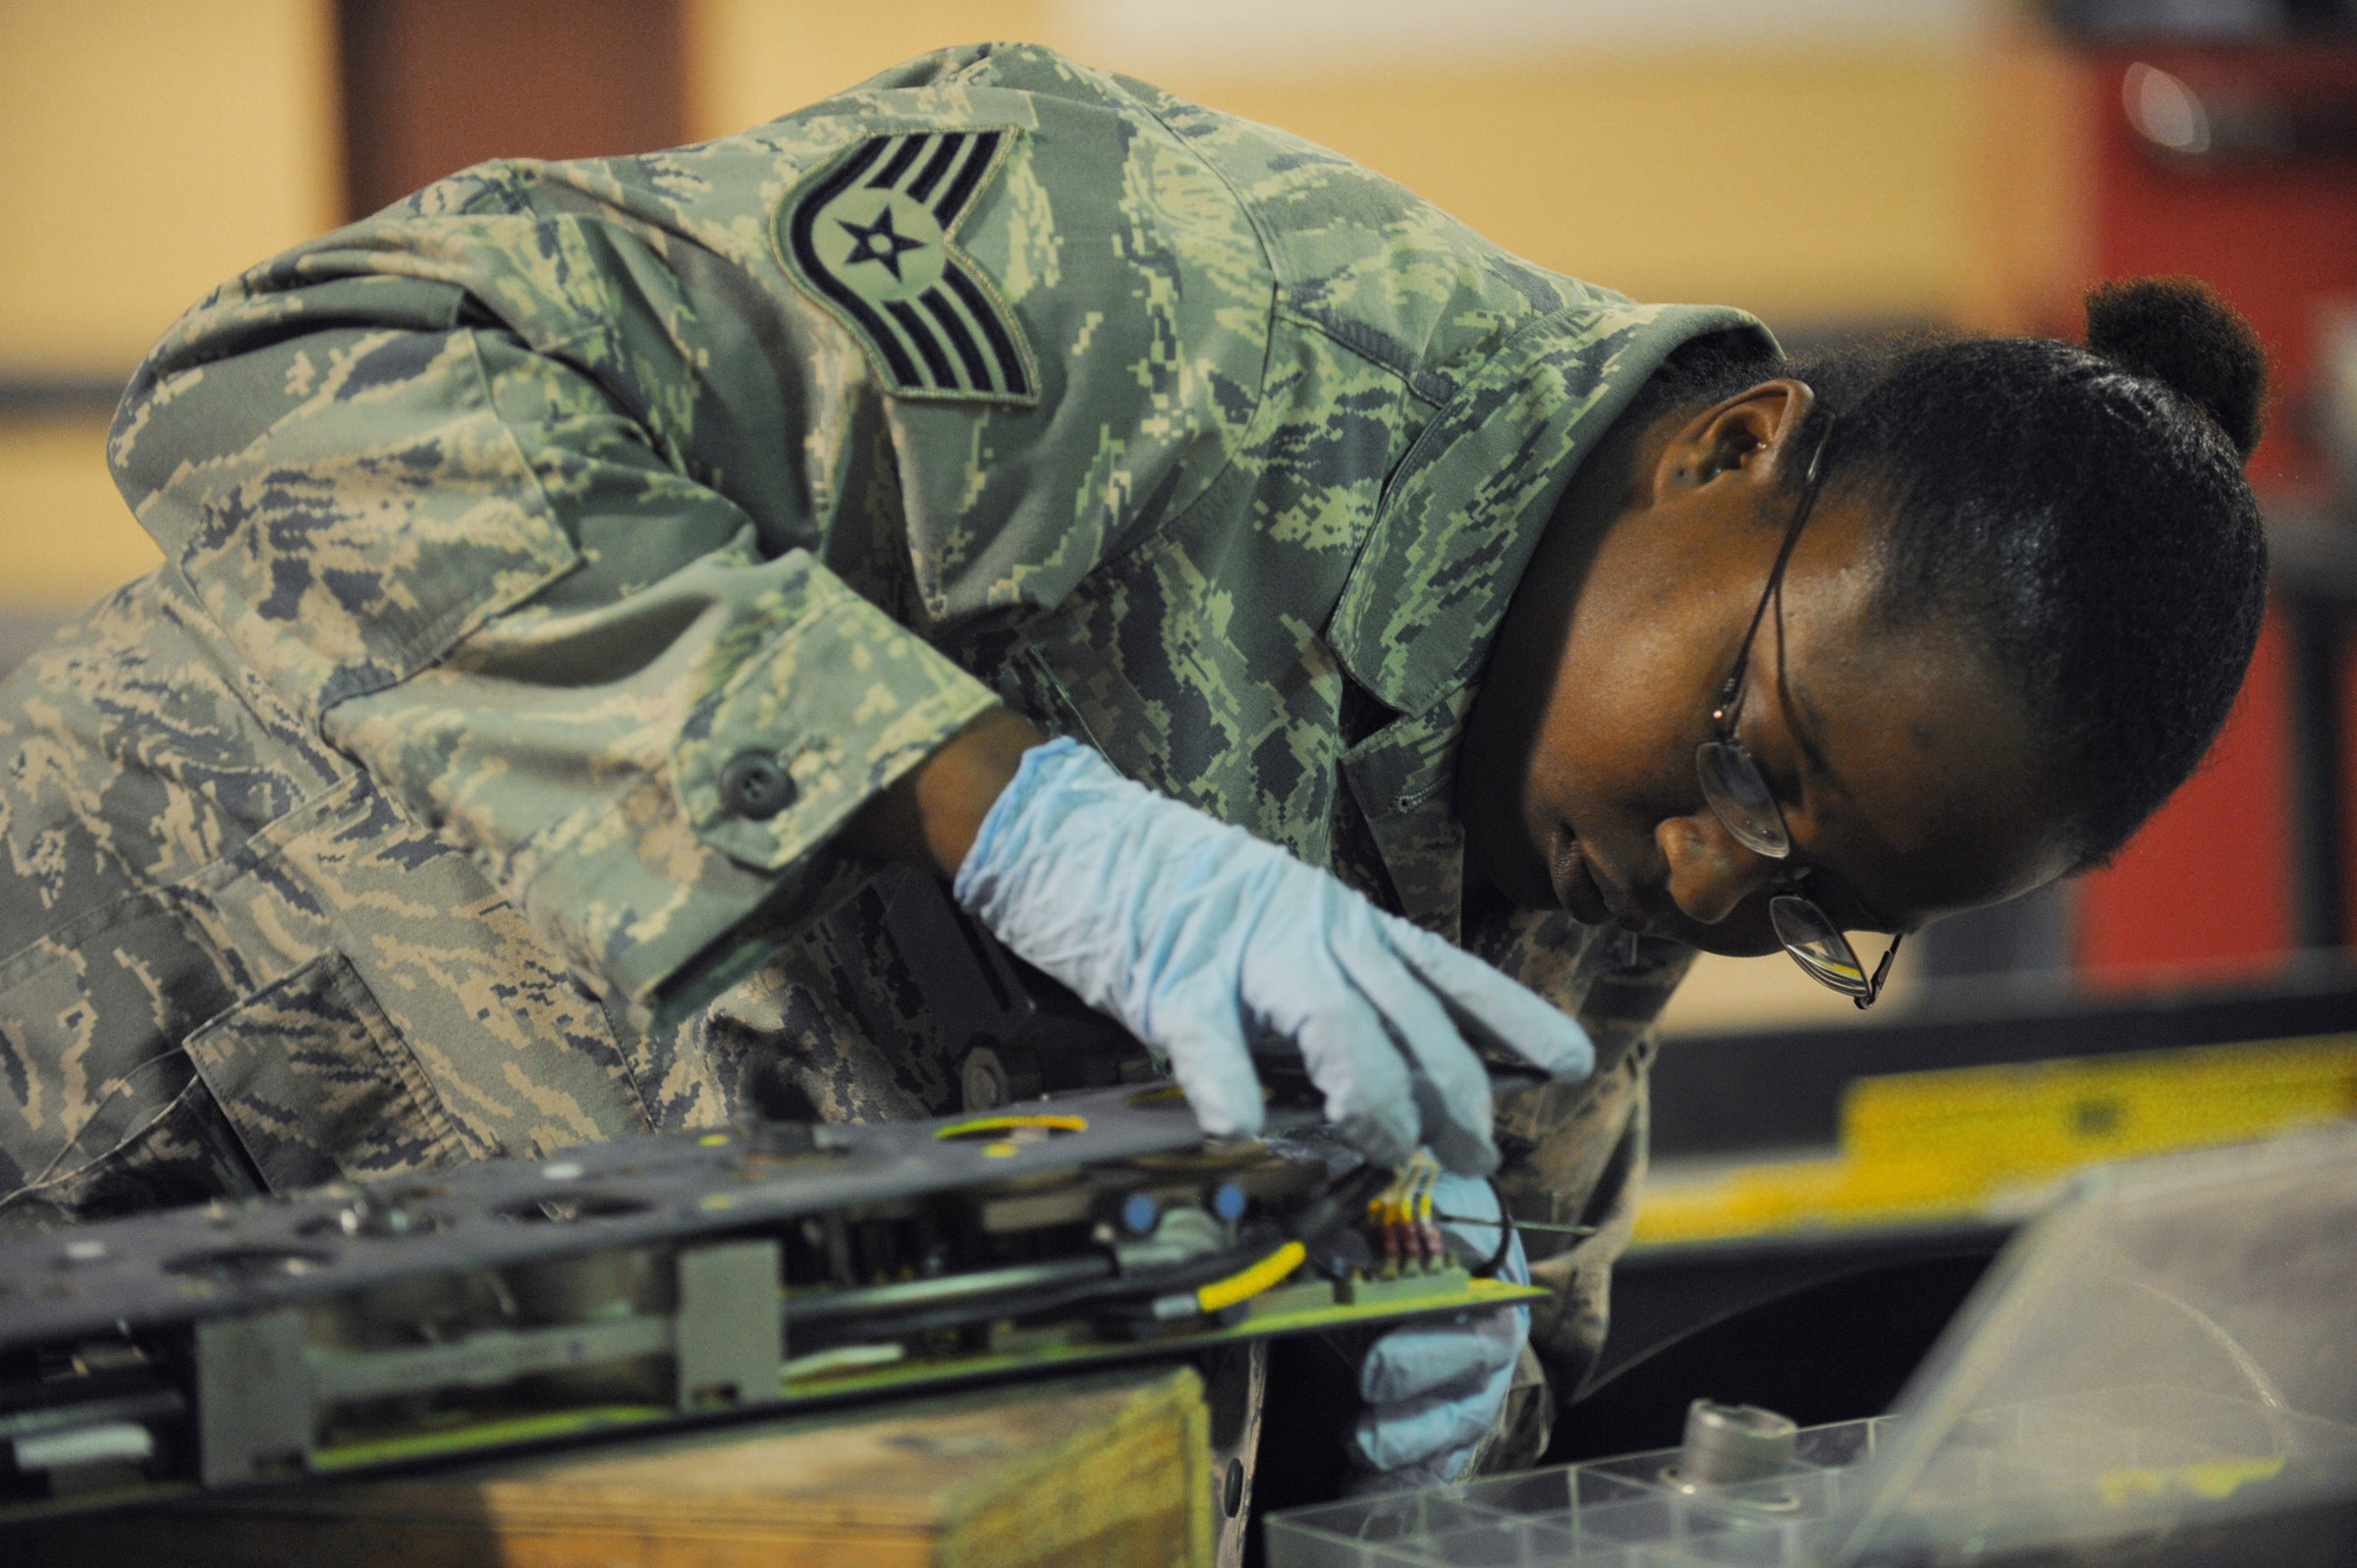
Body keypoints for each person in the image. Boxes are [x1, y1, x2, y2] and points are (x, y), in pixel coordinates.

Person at [0, 38, 2266, 1515]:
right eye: (1747, 774)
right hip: (117, 1116)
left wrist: (1432, 1427)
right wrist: (1004, 802)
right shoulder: (1142, 291)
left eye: (1814, 906)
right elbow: (292, 389)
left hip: (500, 1427)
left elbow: (1478, 1364)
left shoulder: (1622, 855)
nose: (1702, 881)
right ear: (1732, 450)